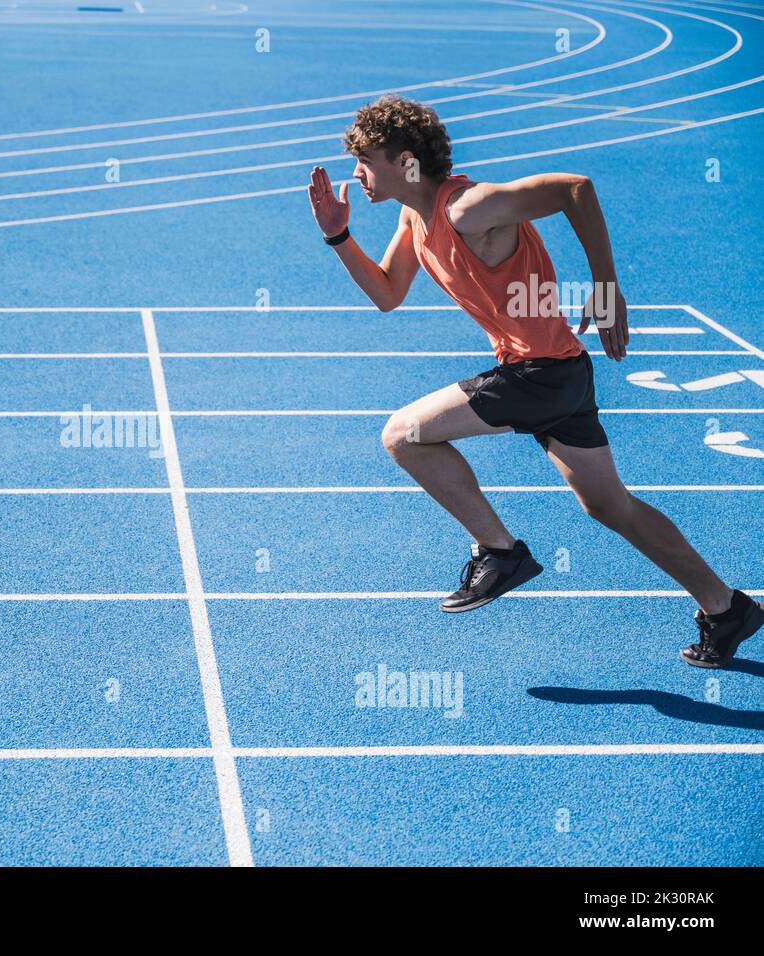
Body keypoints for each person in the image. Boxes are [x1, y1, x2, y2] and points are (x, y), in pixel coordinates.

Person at [306, 94, 761, 668]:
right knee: (610, 506)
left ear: (406, 162)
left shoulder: (468, 208)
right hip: (559, 374)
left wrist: (605, 287)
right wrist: (339, 237)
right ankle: (726, 609)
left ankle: (501, 553)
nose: (357, 174)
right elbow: (387, 294)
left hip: (538, 374)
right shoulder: (413, 218)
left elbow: (575, 187)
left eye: (366, 161)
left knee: (402, 436)